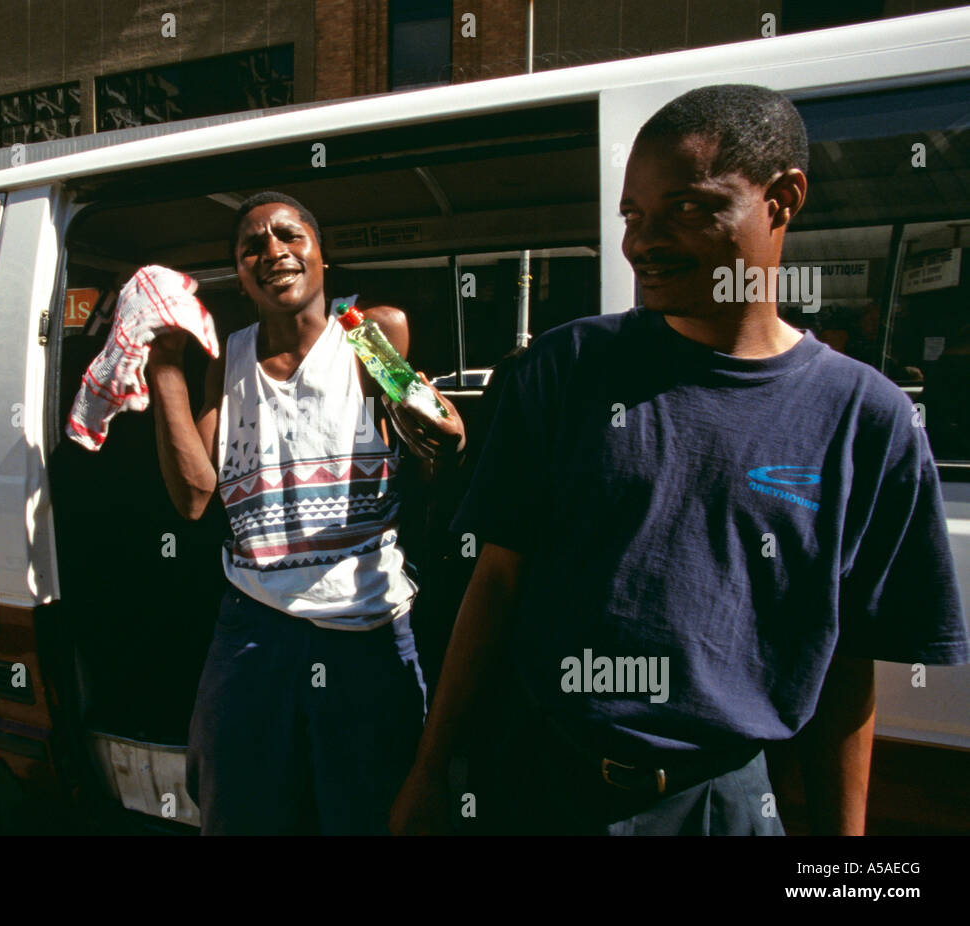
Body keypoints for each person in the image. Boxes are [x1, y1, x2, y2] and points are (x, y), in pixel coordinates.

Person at [391, 84, 969, 836]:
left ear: (783, 198)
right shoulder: (568, 369)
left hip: (721, 806)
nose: (643, 242)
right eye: (633, 216)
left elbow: (849, 662)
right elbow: (496, 581)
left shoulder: (868, 419)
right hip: (538, 788)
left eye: (688, 209)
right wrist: (434, 770)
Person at [147, 191, 466, 834]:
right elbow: (194, 497)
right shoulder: (226, 361)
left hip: (367, 624)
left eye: (290, 236)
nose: (273, 251)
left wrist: (441, 432)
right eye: (253, 246)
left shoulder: (371, 333)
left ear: (321, 254)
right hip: (253, 626)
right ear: (239, 274)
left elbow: (426, 424)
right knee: (239, 812)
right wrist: (164, 368)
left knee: (371, 812)